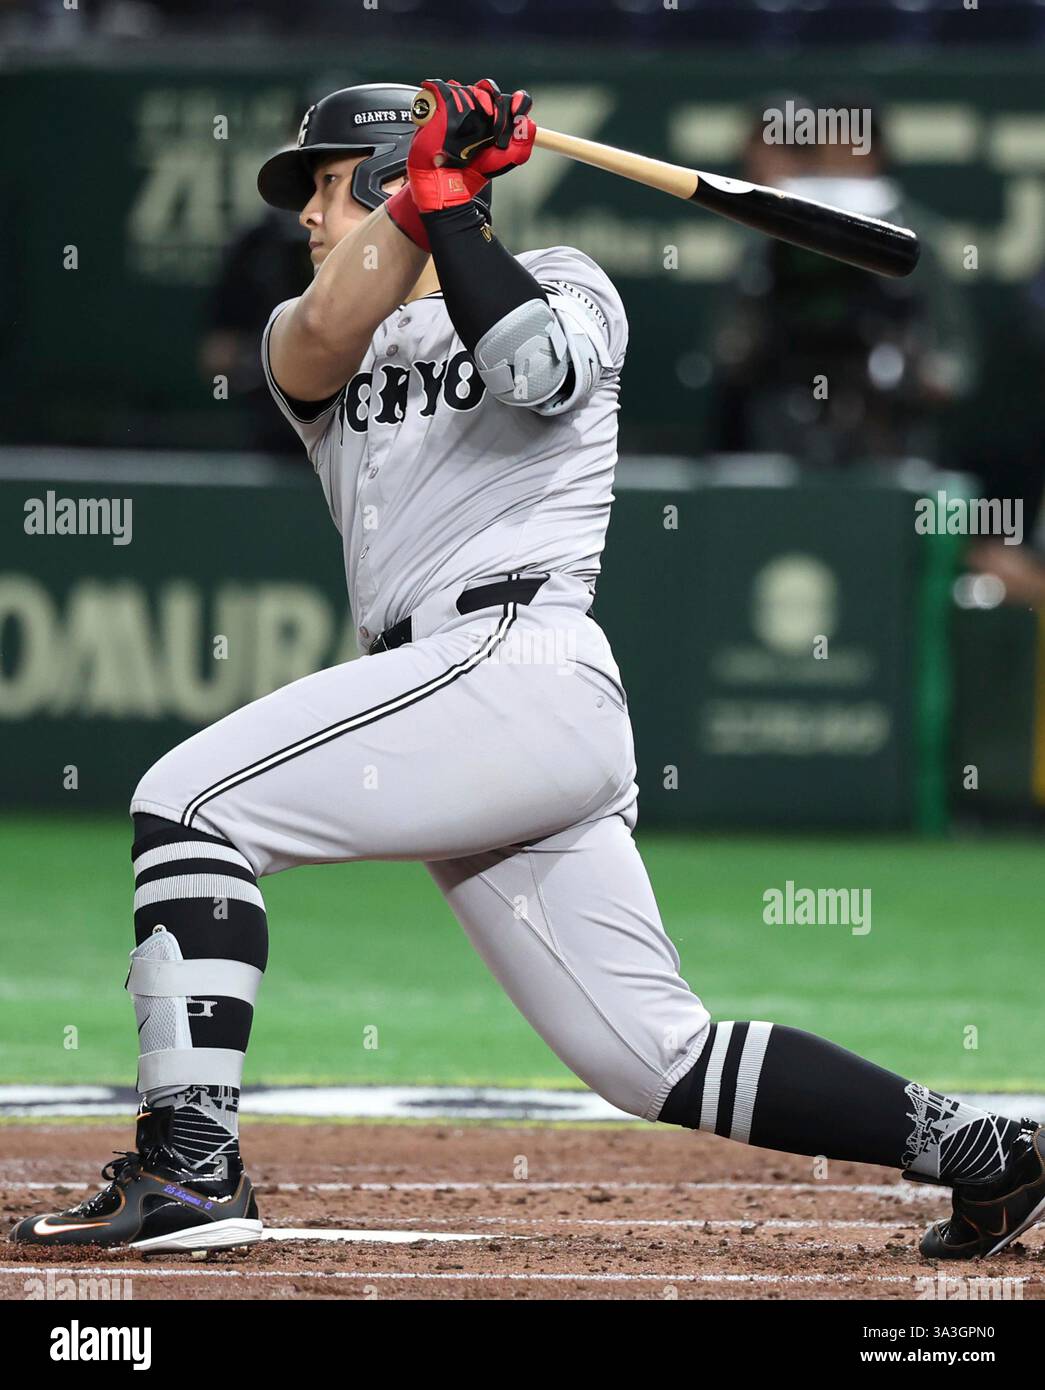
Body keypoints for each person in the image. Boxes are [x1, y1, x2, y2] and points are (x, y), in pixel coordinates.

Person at [12, 80, 1042, 1261]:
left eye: (330, 181)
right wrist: (426, 201)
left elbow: (536, 375)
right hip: (467, 706)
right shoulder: (316, 327)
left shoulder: (567, 282)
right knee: (650, 1055)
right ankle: (981, 1148)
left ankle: (189, 1171)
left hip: (517, 661)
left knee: (188, 801)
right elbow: (316, 338)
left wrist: (447, 201)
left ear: (396, 179)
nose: (304, 212)